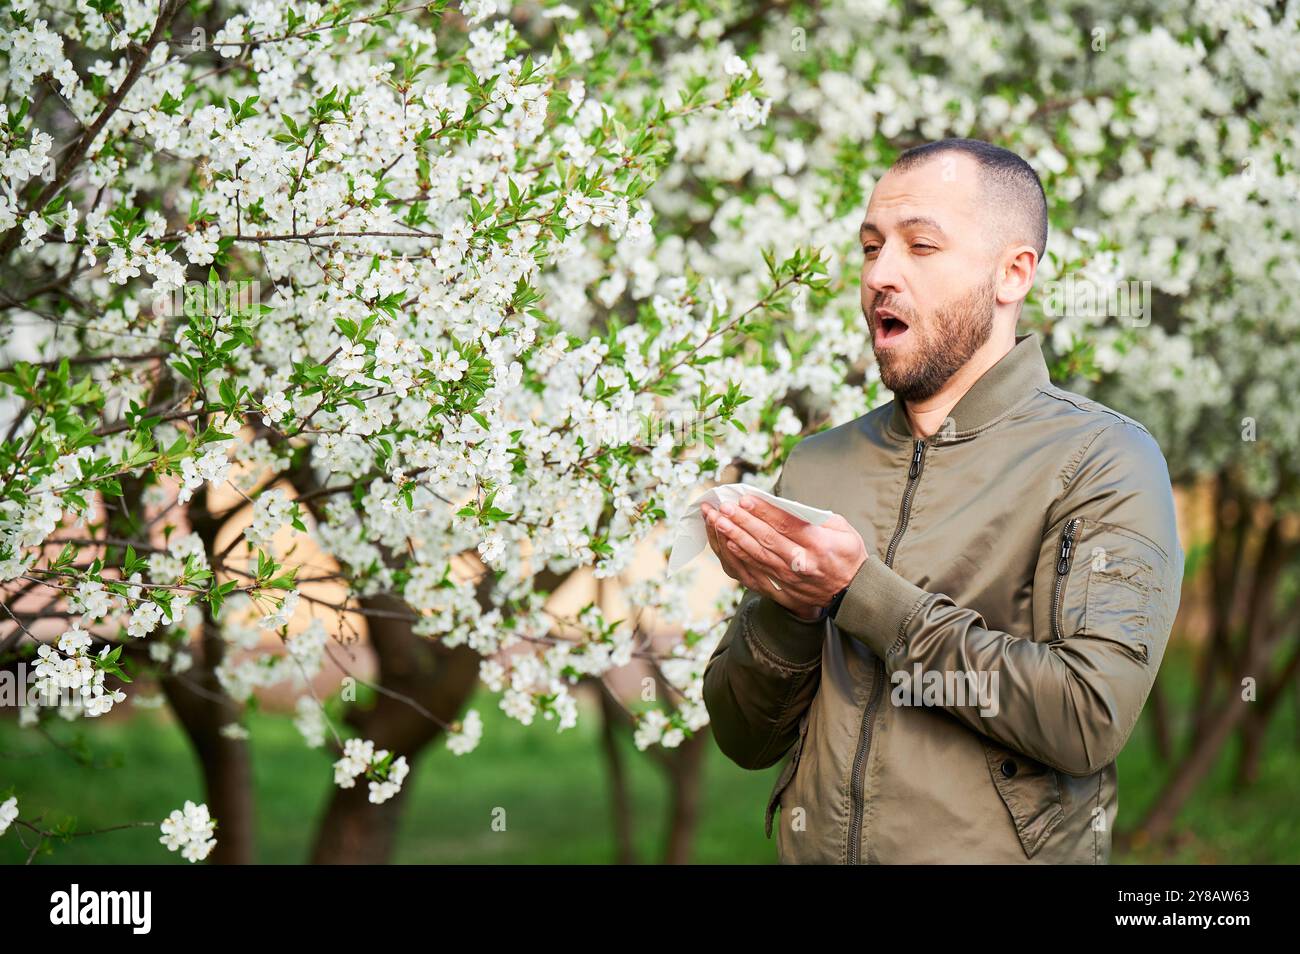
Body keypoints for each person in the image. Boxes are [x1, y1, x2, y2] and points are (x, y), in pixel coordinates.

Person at [700, 138, 1183, 864]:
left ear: (1012, 272)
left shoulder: (1103, 459)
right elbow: (745, 740)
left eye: (920, 245)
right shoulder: (819, 463)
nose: (880, 275)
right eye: (870, 248)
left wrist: (857, 593)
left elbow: (1088, 717)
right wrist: (791, 609)